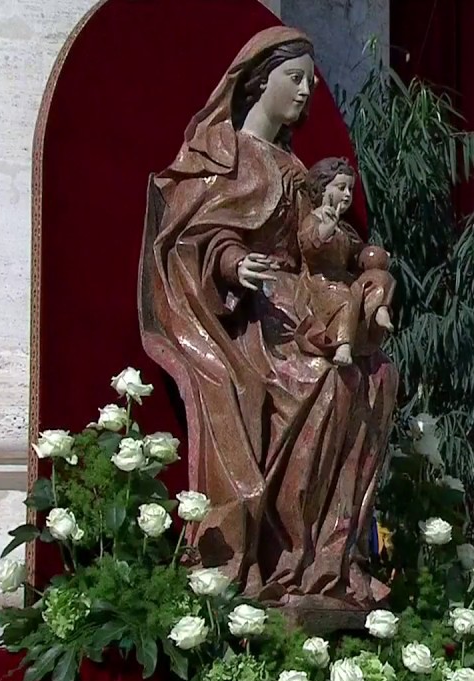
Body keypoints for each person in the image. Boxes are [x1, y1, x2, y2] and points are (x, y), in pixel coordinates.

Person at [137, 26, 398, 613]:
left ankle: (327, 559)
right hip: (252, 322)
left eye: (311, 80)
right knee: (323, 380)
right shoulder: (223, 158)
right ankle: (285, 555)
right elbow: (189, 239)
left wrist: (363, 267)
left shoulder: (297, 167)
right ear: (259, 81)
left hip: (302, 302)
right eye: (295, 78)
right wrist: (232, 263)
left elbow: (317, 244)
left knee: (376, 377)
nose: (307, 91)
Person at [295, 156, 395, 366]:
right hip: (321, 282)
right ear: (322, 189)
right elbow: (309, 245)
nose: (347, 194)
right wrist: (327, 228)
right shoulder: (315, 218)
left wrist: (375, 256)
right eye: (341, 187)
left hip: (345, 279)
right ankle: (343, 346)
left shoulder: (345, 228)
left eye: (350, 189)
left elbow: (357, 252)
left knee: (382, 277)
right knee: (346, 299)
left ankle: (380, 310)